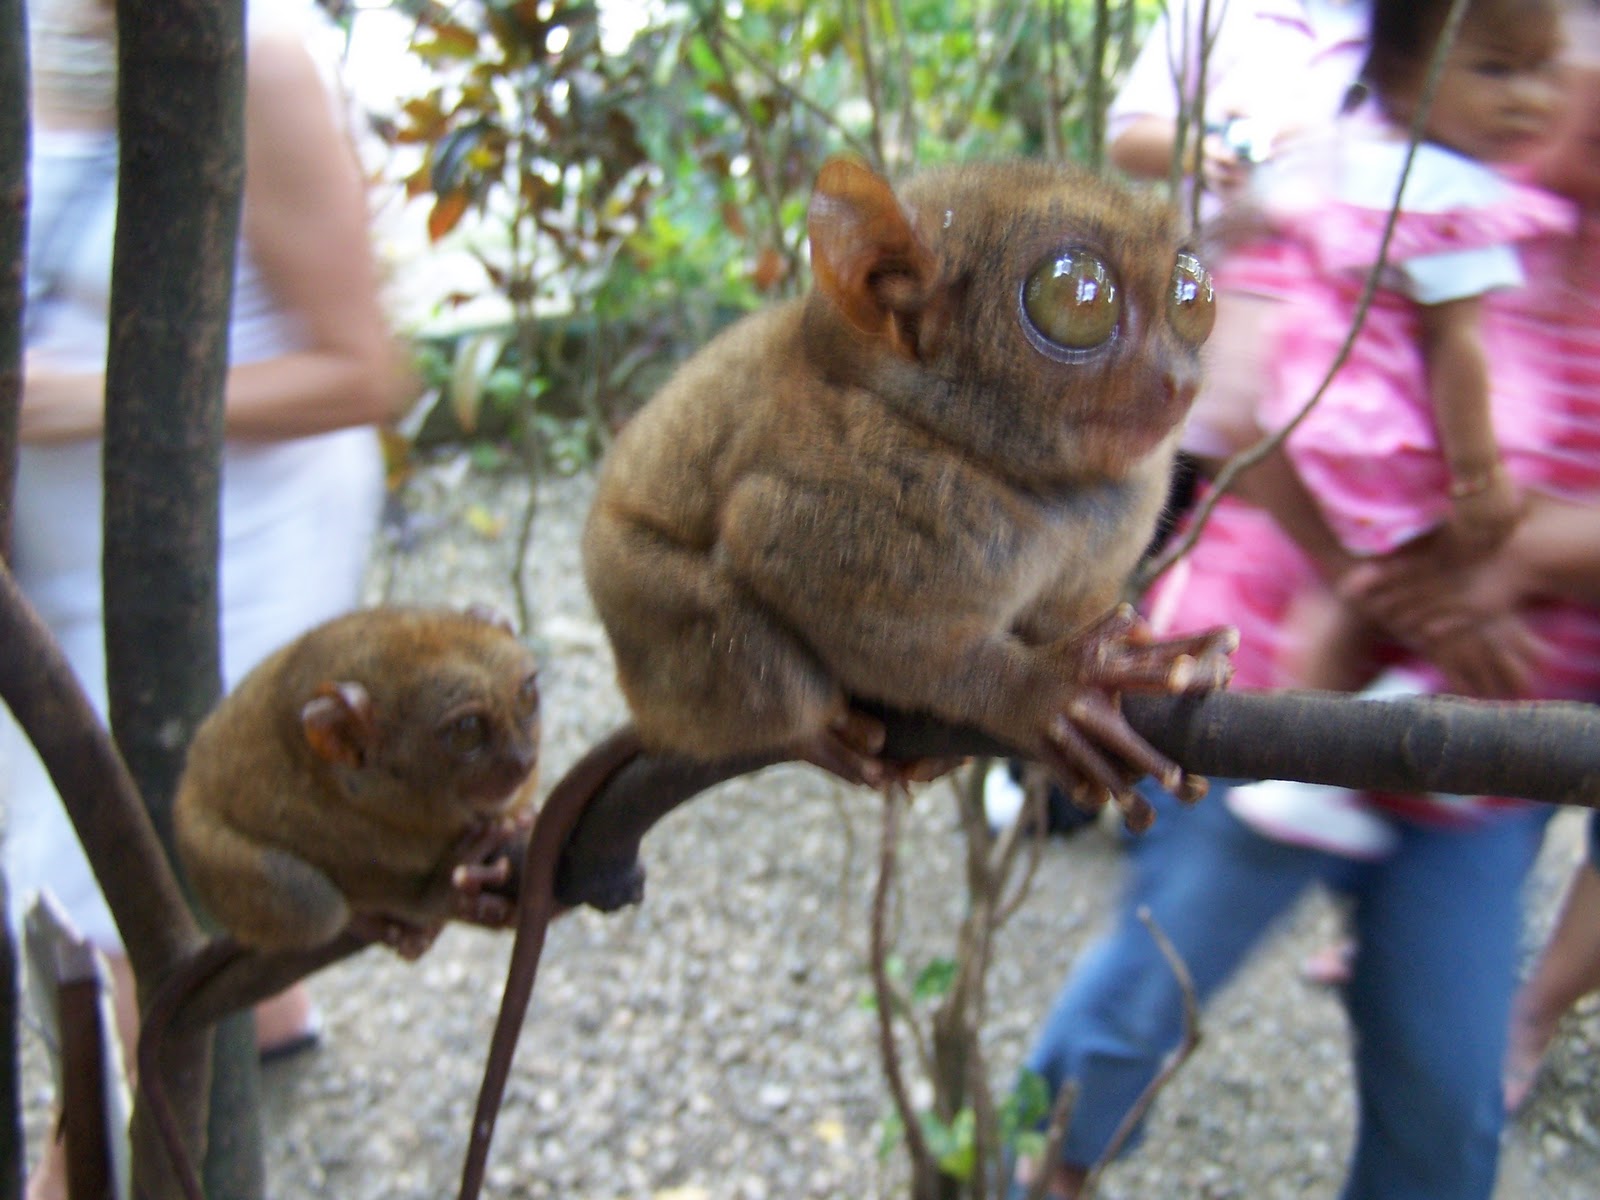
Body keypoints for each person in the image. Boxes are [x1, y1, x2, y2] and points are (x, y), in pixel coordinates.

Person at [1009, 1, 1593, 1196]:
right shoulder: (1363, 178)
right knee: (1135, 1005)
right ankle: (1033, 1163)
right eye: (1520, 62)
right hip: (1269, 673)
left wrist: (1511, 564)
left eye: (1548, 60)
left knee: (1442, 1100)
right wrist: (1377, 572)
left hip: (1477, 744)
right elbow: (1248, 412)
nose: (1543, 87)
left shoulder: (1489, 201)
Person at [4, 1, 409, 1195]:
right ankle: (261, 1018)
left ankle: (86, 1166)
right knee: (136, 850)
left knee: (127, 878)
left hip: (235, 547)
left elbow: (364, 368)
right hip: (72, 565)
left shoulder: (261, 53)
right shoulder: (44, 33)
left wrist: (88, 399)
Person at [984, 0, 1372, 836]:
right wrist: (1203, 145)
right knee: (1097, 582)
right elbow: (1133, 134)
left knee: (1208, 591)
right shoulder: (1215, 13)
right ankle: (1045, 782)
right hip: (1175, 341)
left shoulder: (1388, 32)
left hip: (1297, 368)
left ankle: (1154, 781)